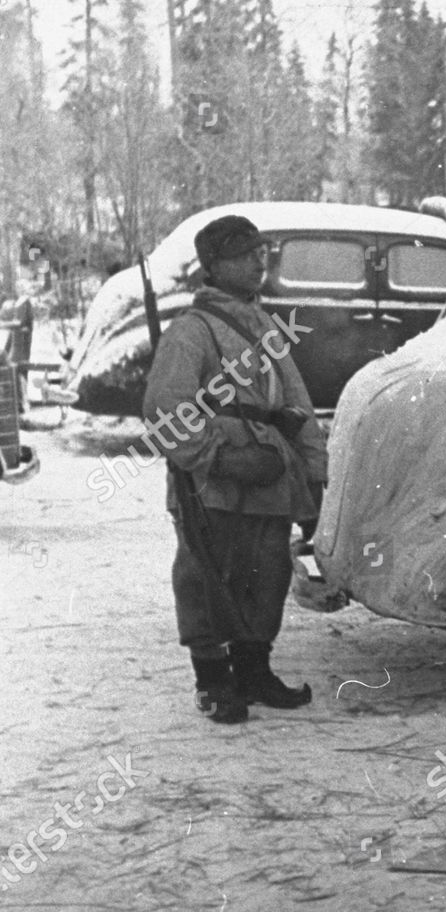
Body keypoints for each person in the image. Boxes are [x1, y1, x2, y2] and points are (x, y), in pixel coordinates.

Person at [143, 215, 327, 723]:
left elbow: (296, 404)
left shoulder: (265, 325)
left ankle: (253, 673)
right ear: (215, 266)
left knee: (265, 573)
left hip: (269, 473)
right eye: (244, 254)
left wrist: (313, 469)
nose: (257, 262)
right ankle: (213, 681)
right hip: (214, 484)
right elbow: (165, 411)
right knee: (207, 576)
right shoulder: (192, 331)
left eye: (260, 252)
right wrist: (218, 459)